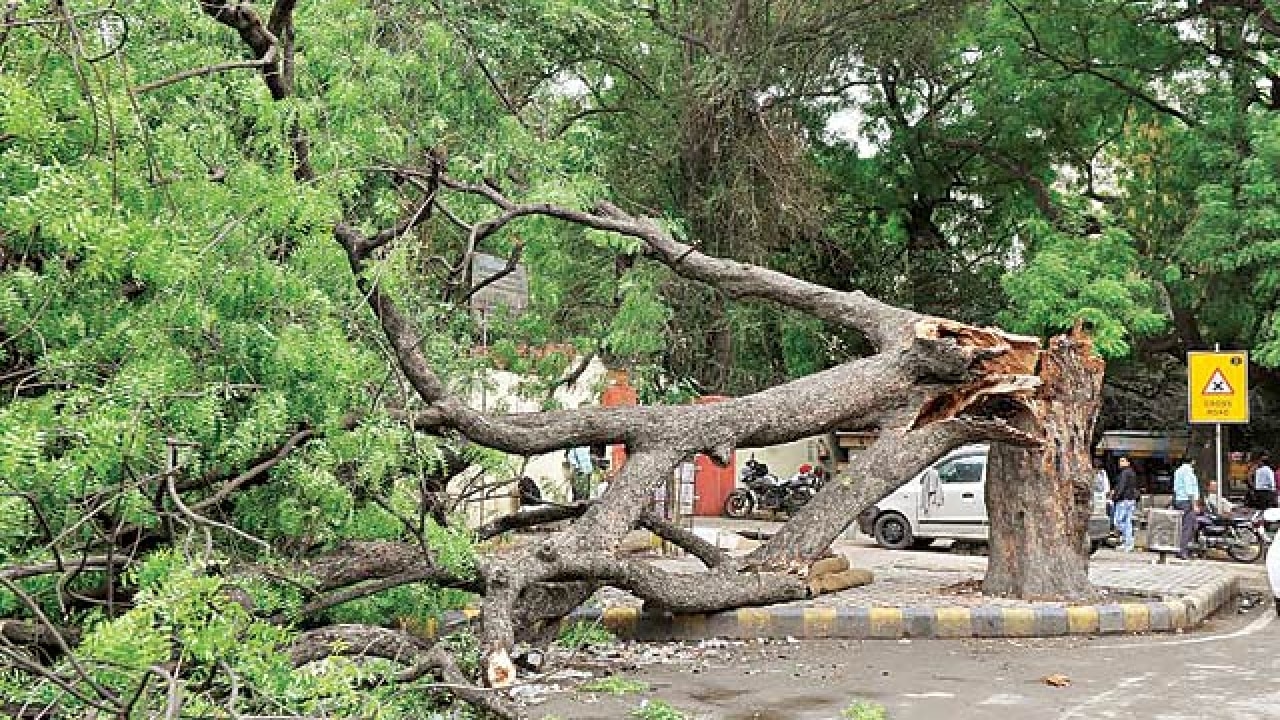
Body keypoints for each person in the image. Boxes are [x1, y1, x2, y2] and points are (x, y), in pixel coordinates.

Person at [1172, 457, 1200, 560]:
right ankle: (1183, 551)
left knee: (1184, 526)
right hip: (1186, 502)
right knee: (1188, 527)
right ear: (1192, 461)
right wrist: (1194, 505)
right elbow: (1189, 490)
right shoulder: (1188, 472)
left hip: (1179, 500)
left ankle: (1183, 549)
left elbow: (1175, 488)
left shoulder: (1178, 471)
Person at [1111, 457, 1139, 552]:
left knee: (1118, 522)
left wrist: (1115, 497)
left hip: (1124, 500)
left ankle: (1128, 541)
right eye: (1120, 461)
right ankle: (1127, 543)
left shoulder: (1124, 473)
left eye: (1123, 461)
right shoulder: (1132, 472)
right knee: (1127, 522)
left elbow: (1121, 487)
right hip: (1130, 500)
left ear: (1128, 462)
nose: (1120, 463)